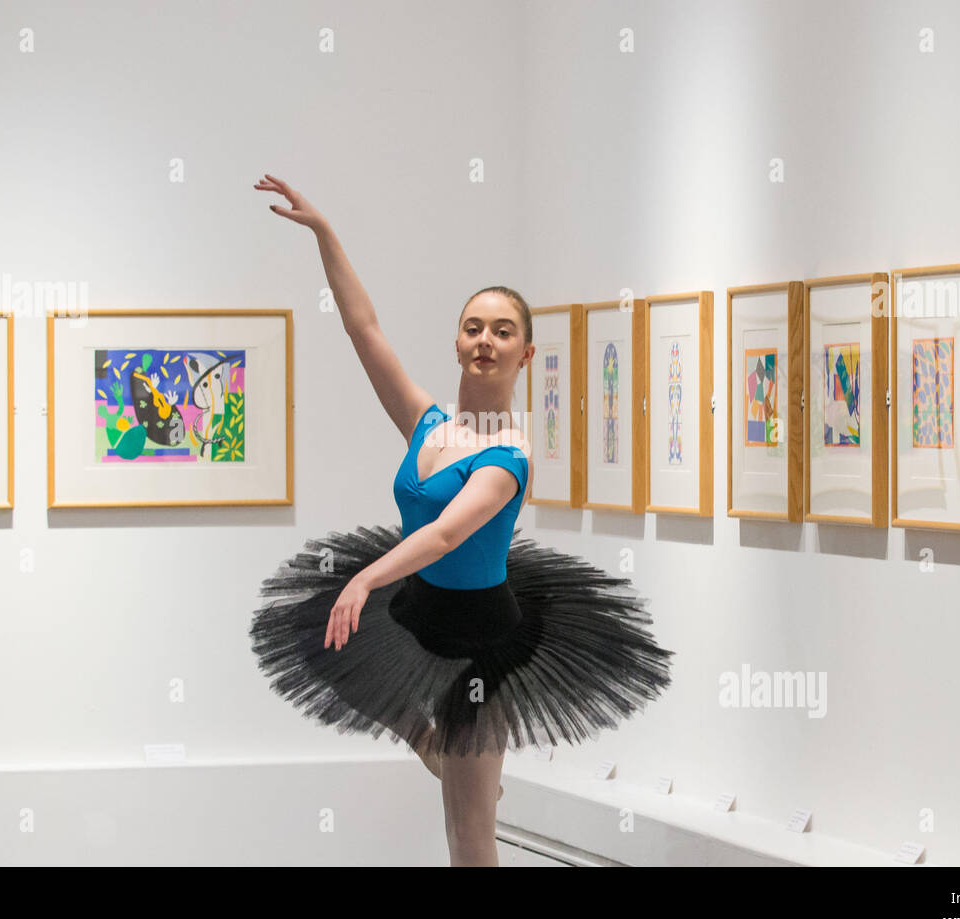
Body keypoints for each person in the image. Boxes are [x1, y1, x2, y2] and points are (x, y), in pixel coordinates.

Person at [248, 173, 675, 866]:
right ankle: (441, 753)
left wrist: (364, 580)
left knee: (468, 837)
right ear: (455, 342)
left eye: (503, 333)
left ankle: (467, 776)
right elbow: (363, 328)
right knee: (332, 649)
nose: (486, 341)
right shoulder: (427, 422)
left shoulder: (510, 459)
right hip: (416, 614)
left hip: (483, 646)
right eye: (473, 328)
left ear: (525, 354)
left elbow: (446, 533)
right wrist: (325, 232)